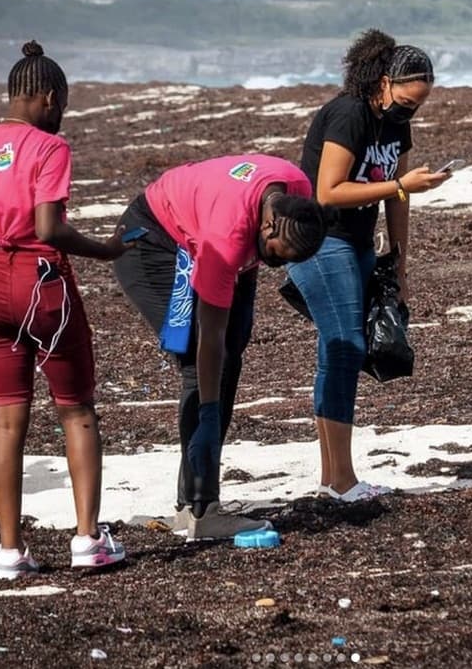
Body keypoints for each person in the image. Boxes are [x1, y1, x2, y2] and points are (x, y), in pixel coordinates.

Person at [0, 41, 131, 580]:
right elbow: (49, 229)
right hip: (44, 285)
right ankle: (88, 538)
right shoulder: (49, 147)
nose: (61, 115)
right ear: (47, 97)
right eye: (62, 105)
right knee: (76, 409)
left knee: (5, 418)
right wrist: (107, 249)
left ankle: (9, 551)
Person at [113, 154, 327, 540]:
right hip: (151, 239)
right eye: (277, 254)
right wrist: (209, 415)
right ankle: (200, 510)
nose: (277, 266)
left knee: (234, 350)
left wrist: (265, 255)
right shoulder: (228, 237)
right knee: (203, 364)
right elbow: (209, 341)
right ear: (267, 224)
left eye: (287, 262)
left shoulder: (297, 194)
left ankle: (192, 503)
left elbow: (259, 252)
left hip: (213, 230)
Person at [285, 28, 449, 503]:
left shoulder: (395, 124)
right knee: (346, 349)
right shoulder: (348, 114)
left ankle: (332, 480)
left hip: (358, 245)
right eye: (405, 101)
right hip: (321, 241)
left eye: (417, 105)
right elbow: (328, 190)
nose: (409, 111)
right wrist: (400, 187)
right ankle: (343, 481)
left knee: (335, 353)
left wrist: (398, 261)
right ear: (381, 81)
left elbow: (400, 195)